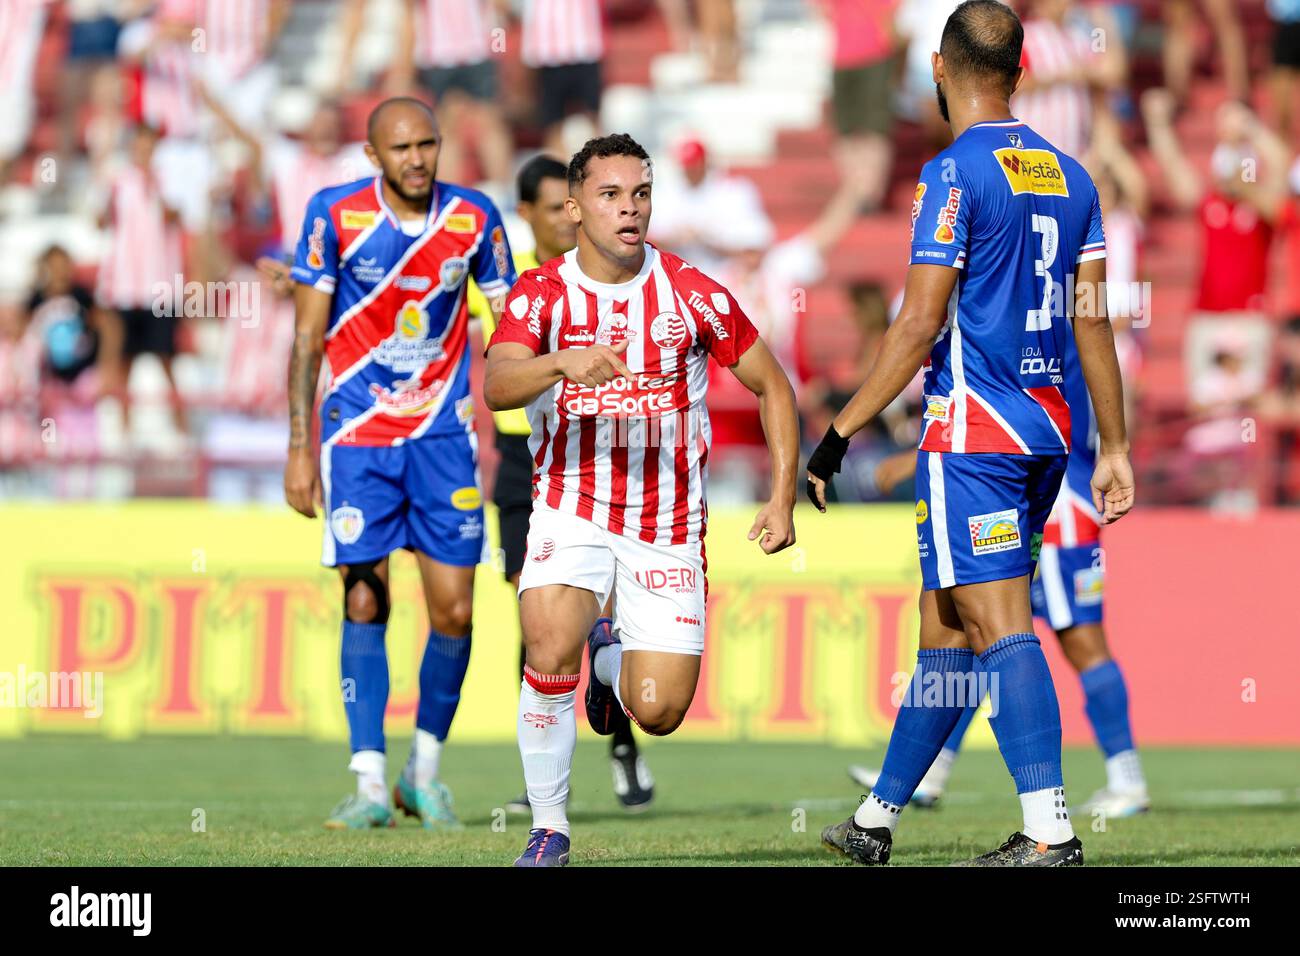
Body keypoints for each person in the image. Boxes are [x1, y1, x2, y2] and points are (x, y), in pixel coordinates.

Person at [807, 0, 1133, 866]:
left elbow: (916, 327)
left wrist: (838, 433)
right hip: (1047, 434)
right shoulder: (1073, 177)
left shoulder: (952, 174)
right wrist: (1121, 445)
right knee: (948, 626)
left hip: (975, 436)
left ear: (941, 70)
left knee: (999, 626)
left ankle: (1049, 830)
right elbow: (1093, 321)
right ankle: (877, 819)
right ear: (1021, 73)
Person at [483, 132, 799, 866]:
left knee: (656, 709)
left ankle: (607, 661)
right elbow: (498, 384)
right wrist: (560, 361)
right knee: (545, 639)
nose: (630, 210)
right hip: (571, 503)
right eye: (610, 195)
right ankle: (550, 829)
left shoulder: (692, 294)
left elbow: (773, 386)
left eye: (641, 195)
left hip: (667, 523)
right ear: (573, 206)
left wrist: (781, 496)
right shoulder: (542, 292)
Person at [284, 97, 518, 830]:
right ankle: (367, 782)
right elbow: (305, 340)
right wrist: (298, 447)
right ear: (372, 154)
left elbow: (512, 325)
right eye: (401, 147)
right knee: (364, 600)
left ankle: (423, 773)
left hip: (444, 440)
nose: (417, 158)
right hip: (356, 437)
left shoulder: (475, 219)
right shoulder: (334, 214)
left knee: (454, 608)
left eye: (428, 144)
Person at [850, 316, 1151, 818]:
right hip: (1019, 478)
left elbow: (1001, 393)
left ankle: (1126, 778)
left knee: (1075, 643)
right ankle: (931, 772)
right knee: (980, 635)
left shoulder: (1030, 304)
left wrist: (907, 456)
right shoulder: (1046, 294)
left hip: (1051, 499)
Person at [469, 154, 656, 815]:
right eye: (550, 208)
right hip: (524, 460)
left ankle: (624, 746)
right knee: (539, 611)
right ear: (529, 214)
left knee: (605, 614)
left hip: (596, 456)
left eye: (566, 204)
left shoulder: (612, 273)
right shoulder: (504, 282)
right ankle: (543, 780)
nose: (562, 217)